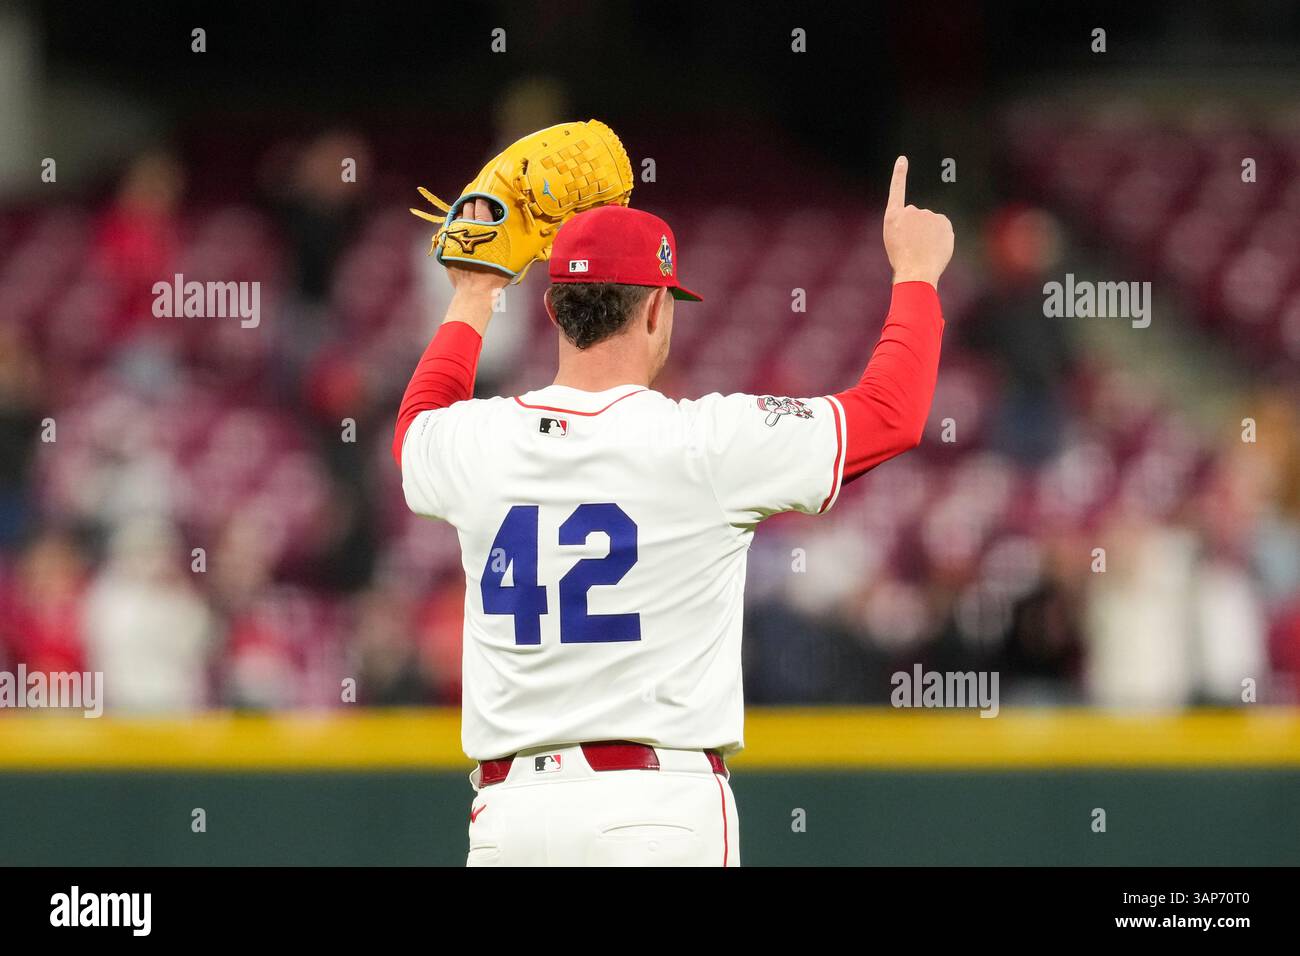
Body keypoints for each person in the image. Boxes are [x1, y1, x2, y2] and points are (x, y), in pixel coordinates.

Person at [393, 157, 952, 866]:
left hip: (511, 818)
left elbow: (415, 428)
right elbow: (891, 416)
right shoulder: (706, 443)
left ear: (552, 308)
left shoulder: (482, 440)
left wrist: (473, 295)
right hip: (655, 813)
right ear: (657, 308)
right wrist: (917, 274)